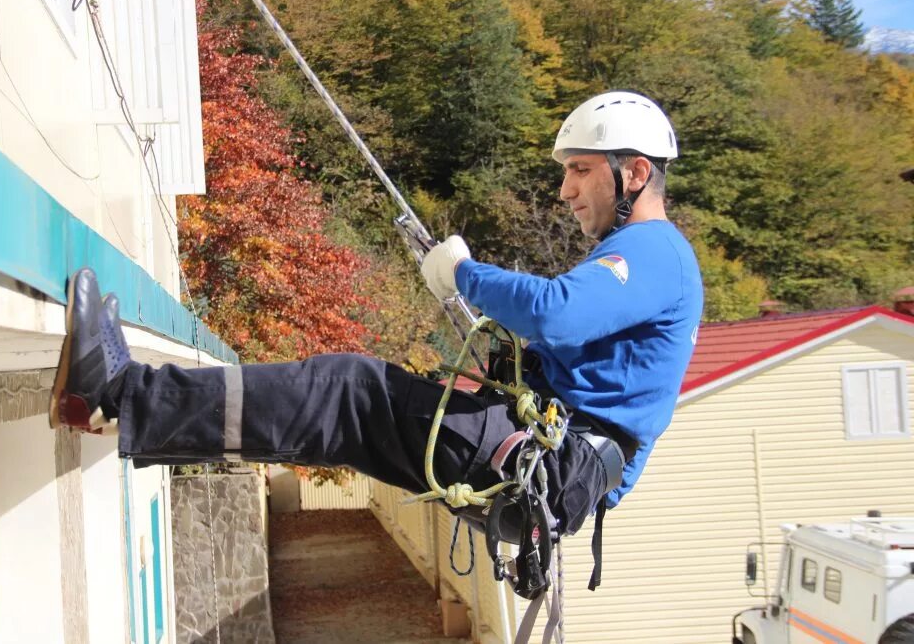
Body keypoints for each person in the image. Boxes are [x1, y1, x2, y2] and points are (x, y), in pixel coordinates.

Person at [51, 90, 702, 556]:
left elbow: (553, 312)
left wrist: (463, 273)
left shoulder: (657, 253)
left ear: (636, 172)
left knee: (345, 394)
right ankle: (116, 407)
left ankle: (117, 394)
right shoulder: (648, 262)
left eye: (580, 170)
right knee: (334, 418)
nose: (566, 191)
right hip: (540, 469)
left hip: (543, 465)